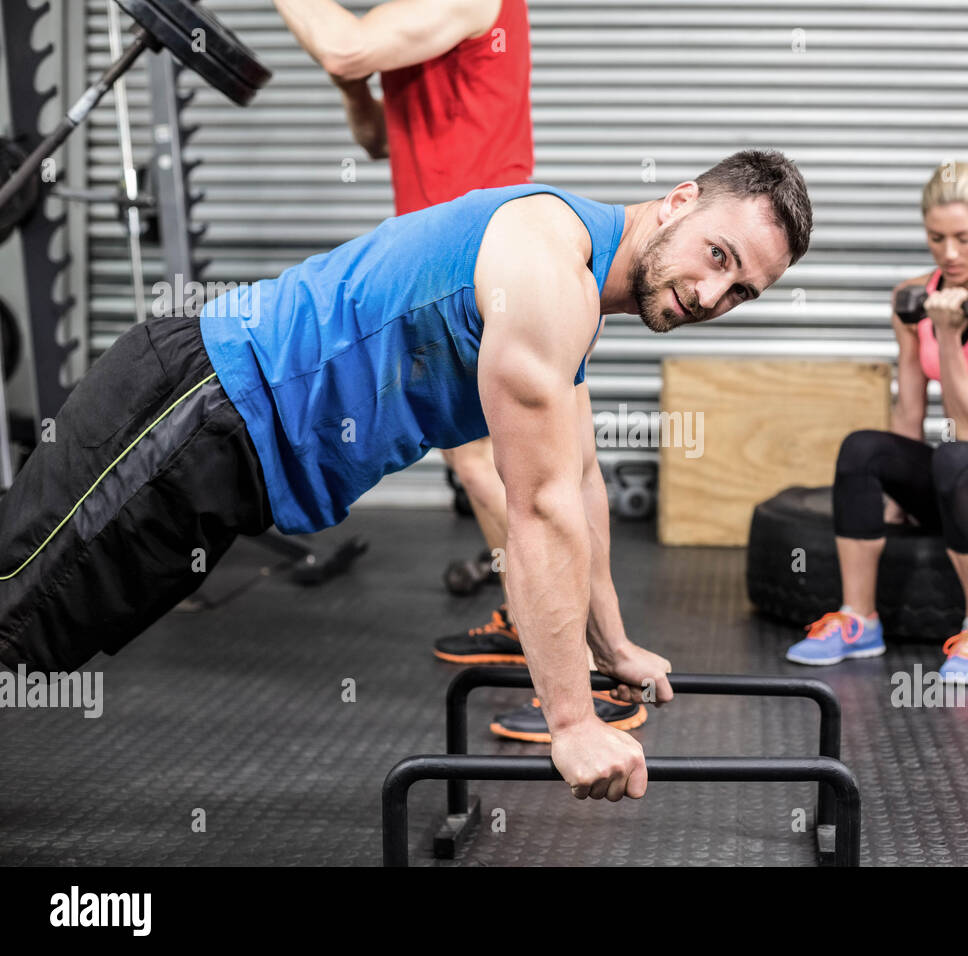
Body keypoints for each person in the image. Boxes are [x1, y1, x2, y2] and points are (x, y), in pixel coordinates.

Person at [0, 150, 813, 802]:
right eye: (718, 255)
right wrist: (570, 722)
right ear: (677, 200)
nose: (712, 293)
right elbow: (538, 510)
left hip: (228, 454)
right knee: (17, 617)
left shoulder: (580, 282)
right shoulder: (547, 276)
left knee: (48, 638)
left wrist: (614, 642)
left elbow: (581, 482)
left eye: (740, 290)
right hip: (199, 411)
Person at [272, 0, 586, 739]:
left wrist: (342, 58)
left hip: (489, 257)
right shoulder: (412, 15)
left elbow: (347, 48)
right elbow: (377, 135)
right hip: (443, 261)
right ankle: (534, 626)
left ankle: (583, 681)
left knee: (518, 475)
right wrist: (351, 84)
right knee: (505, 468)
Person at [785, 161, 968, 684]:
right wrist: (900, 490)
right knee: (862, 449)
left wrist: (947, 335)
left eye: (964, 238)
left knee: (956, 455)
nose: (949, 253)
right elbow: (910, 410)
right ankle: (859, 619)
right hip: (967, 473)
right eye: (936, 237)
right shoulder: (912, 297)